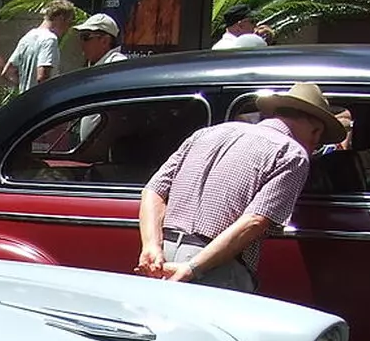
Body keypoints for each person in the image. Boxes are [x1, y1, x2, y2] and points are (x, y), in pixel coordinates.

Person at [136, 82, 345, 293]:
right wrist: (192, 268)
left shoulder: (206, 133)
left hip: (162, 255)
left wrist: (151, 246)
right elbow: (255, 220)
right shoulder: (292, 153)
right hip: (214, 266)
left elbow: (153, 190)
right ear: (316, 131)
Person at [1, 0, 76, 93]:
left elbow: (7, 72)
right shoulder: (50, 39)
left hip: (25, 99)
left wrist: (24, 86)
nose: (68, 28)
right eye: (69, 23)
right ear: (61, 18)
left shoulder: (28, 37)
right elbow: (42, 77)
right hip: (41, 102)